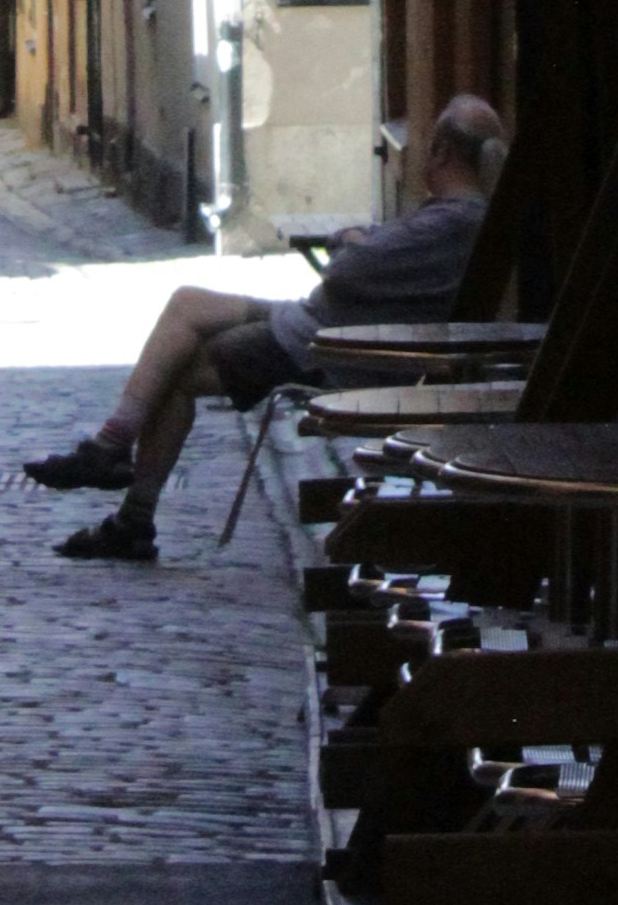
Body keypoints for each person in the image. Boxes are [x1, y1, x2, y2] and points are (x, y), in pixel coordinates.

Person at [25, 95, 510, 564]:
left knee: (177, 363)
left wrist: (354, 240)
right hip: (327, 330)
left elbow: (348, 271)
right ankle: (114, 466)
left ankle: (122, 488)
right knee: (186, 307)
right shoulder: (470, 222)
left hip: (324, 346)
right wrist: (365, 242)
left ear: (442, 152)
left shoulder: (448, 223)